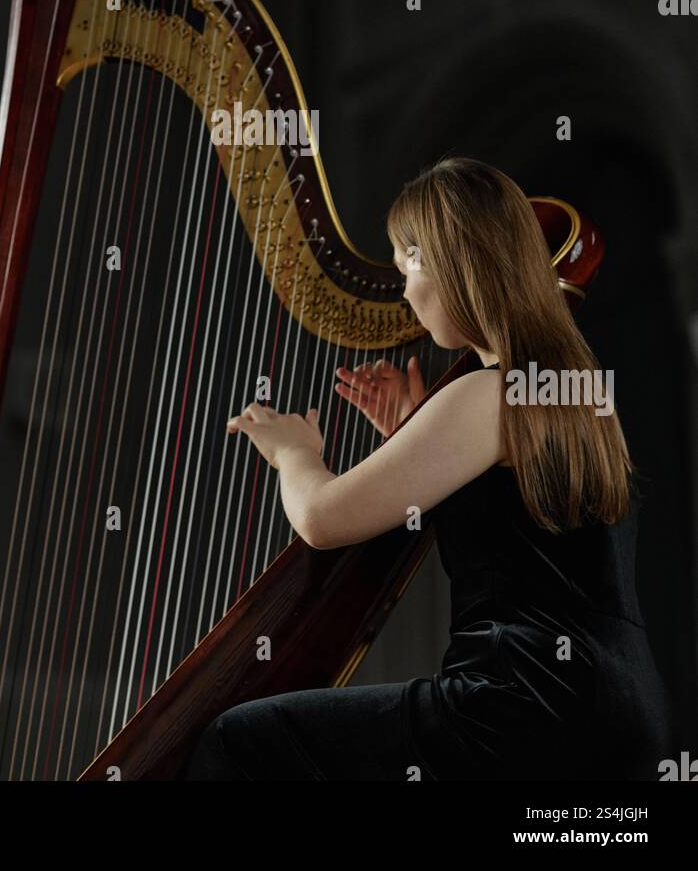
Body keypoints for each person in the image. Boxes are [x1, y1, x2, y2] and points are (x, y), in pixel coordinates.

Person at [181, 157, 673, 781]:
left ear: (445, 262)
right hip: (618, 713)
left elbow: (320, 518)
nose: (405, 292)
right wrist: (415, 438)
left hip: (523, 703)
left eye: (404, 265)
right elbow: (524, 540)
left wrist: (293, 450)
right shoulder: (573, 398)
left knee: (240, 744)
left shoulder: (484, 395)